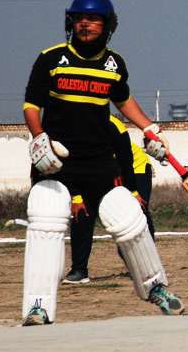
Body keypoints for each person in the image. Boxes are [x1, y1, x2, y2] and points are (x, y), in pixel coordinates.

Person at [20, 0, 183, 324]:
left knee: (127, 216)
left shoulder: (114, 64)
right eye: (79, 18)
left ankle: (156, 288)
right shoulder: (51, 59)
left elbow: (124, 101)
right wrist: (39, 139)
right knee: (46, 218)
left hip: (99, 160)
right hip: (57, 158)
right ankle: (38, 306)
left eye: (93, 19)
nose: (85, 24)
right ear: (70, 23)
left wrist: (149, 128)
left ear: (107, 26)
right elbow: (31, 105)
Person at [63, 115, 156, 285]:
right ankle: (79, 270)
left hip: (133, 168)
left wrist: (133, 191)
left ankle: (144, 265)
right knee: (82, 213)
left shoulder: (113, 125)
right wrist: (76, 197)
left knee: (137, 212)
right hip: (96, 172)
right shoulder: (68, 129)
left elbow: (126, 159)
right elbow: (70, 167)